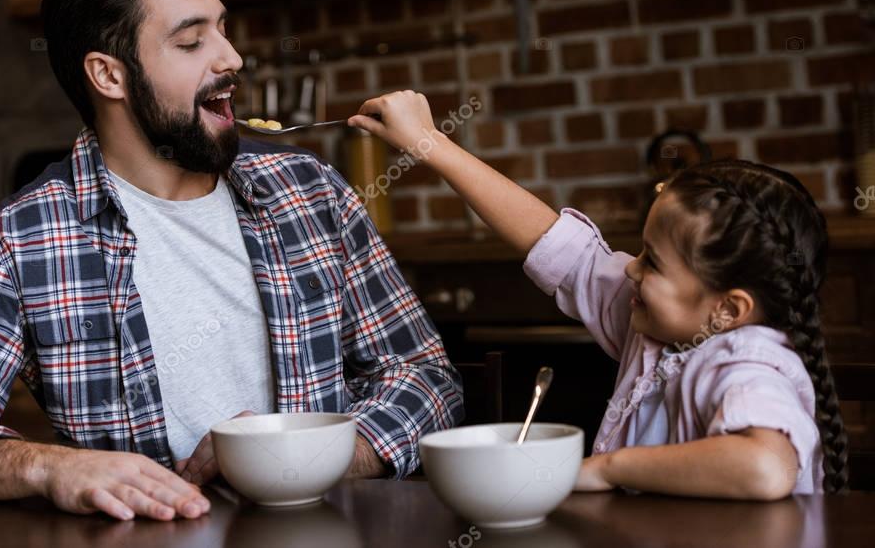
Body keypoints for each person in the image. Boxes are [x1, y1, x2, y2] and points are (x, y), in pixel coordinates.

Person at [0, 0, 463, 521]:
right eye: (191, 41)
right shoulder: (26, 241)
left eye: (222, 28)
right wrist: (49, 467)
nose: (232, 58)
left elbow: (426, 378)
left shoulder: (311, 195)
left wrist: (319, 456)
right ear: (109, 76)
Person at [348, 90, 849, 498]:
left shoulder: (744, 362)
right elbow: (559, 247)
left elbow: (764, 468)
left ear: (728, 309)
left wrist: (608, 468)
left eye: (652, 261)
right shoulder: (659, 328)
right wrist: (430, 143)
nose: (631, 269)